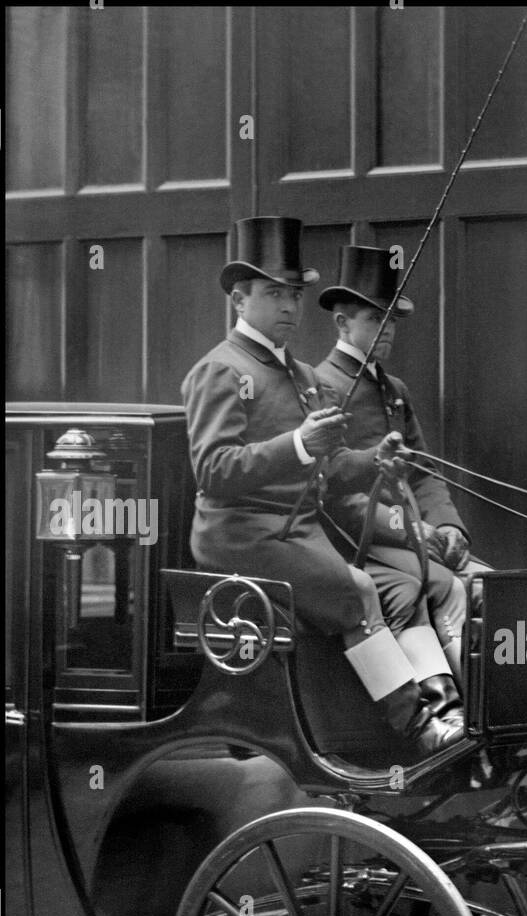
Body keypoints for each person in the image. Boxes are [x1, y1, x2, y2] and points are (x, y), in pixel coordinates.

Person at [181, 216, 462, 757]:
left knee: (383, 585)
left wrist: (372, 461)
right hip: (240, 532)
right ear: (239, 301)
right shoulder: (220, 370)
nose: (288, 306)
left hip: (296, 531)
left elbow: (329, 474)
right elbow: (214, 470)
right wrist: (299, 445)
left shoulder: (302, 377)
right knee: (356, 590)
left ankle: (444, 711)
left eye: (293, 294)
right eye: (272, 293)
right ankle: (417, 727)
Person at [314, 245, 472, 728]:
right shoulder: (323, 387)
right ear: (342, 324)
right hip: (360, 540)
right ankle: (451, 717)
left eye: (393, 321)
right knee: (440, 585)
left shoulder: (394, 389)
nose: (387, 332)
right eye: (374, 319)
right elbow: (336, 492)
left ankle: (490, 707)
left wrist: (448, 526)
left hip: (411, 533)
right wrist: (410, 530)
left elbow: (422, 471)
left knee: (483, 584)